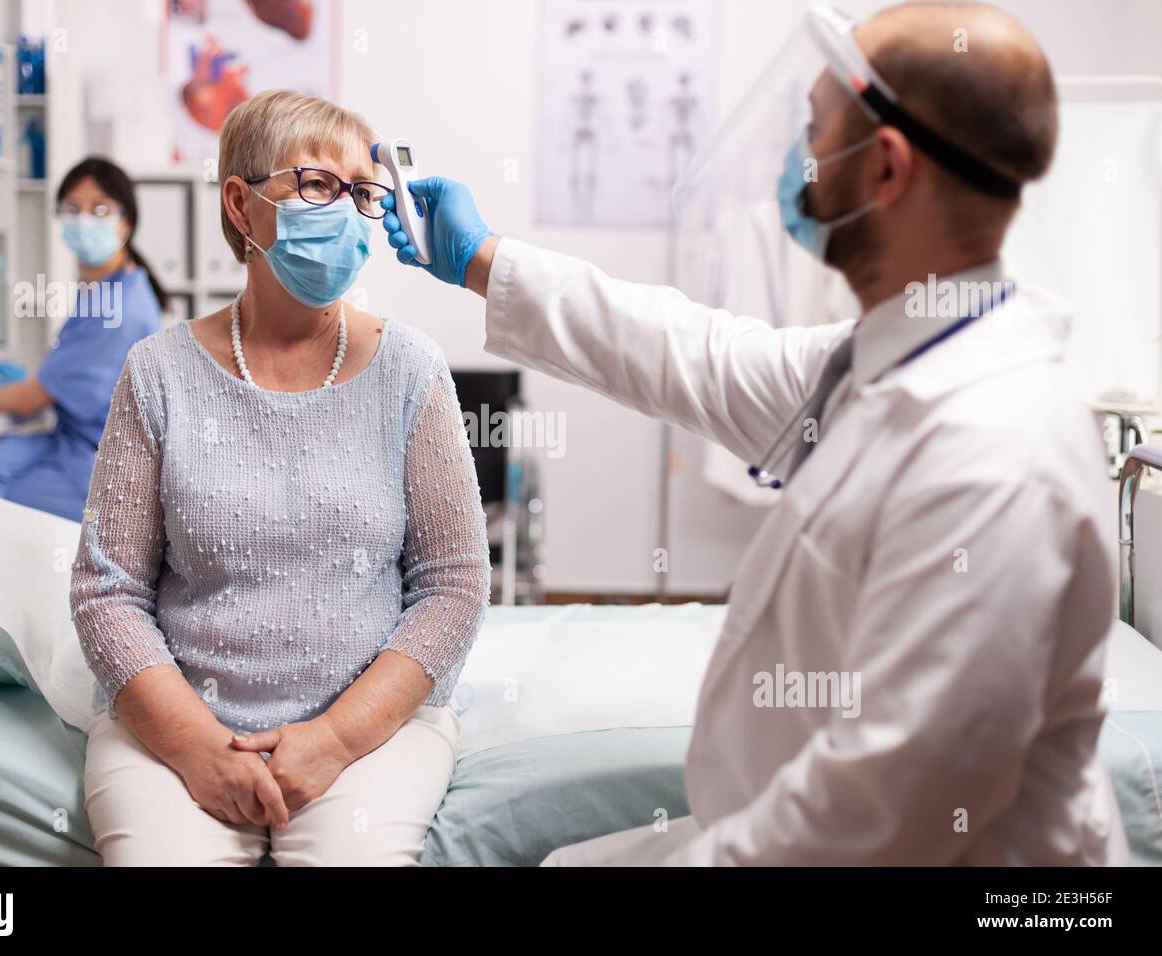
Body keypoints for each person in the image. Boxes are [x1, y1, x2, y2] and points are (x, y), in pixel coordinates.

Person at [382, 2, 1129, 865]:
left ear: (886, 169)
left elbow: (884, 811)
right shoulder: (882, 360)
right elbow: (687, 351)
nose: (795, 161)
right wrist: (480, 258)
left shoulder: (996, 452)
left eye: (814, 130)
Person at [70, 90, 490, 866]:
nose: (347, 211)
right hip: (181, 723)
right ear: (241, 204)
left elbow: (454, 586)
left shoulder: (411, 371)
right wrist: (197, 747)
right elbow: (107, 592)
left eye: (363, 193)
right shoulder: (158, 374)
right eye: (315, 186)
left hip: (371, 734)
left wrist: (333, 738)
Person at [0, 157, 165, 522]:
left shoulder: (119, 306)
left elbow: (29, 403)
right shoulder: (114, 289)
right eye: (72, 208)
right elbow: (61, 385)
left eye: (99, 209)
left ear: (125, 222)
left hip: (94, 467)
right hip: (77, 447)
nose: (83, 219)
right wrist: (36, 383)